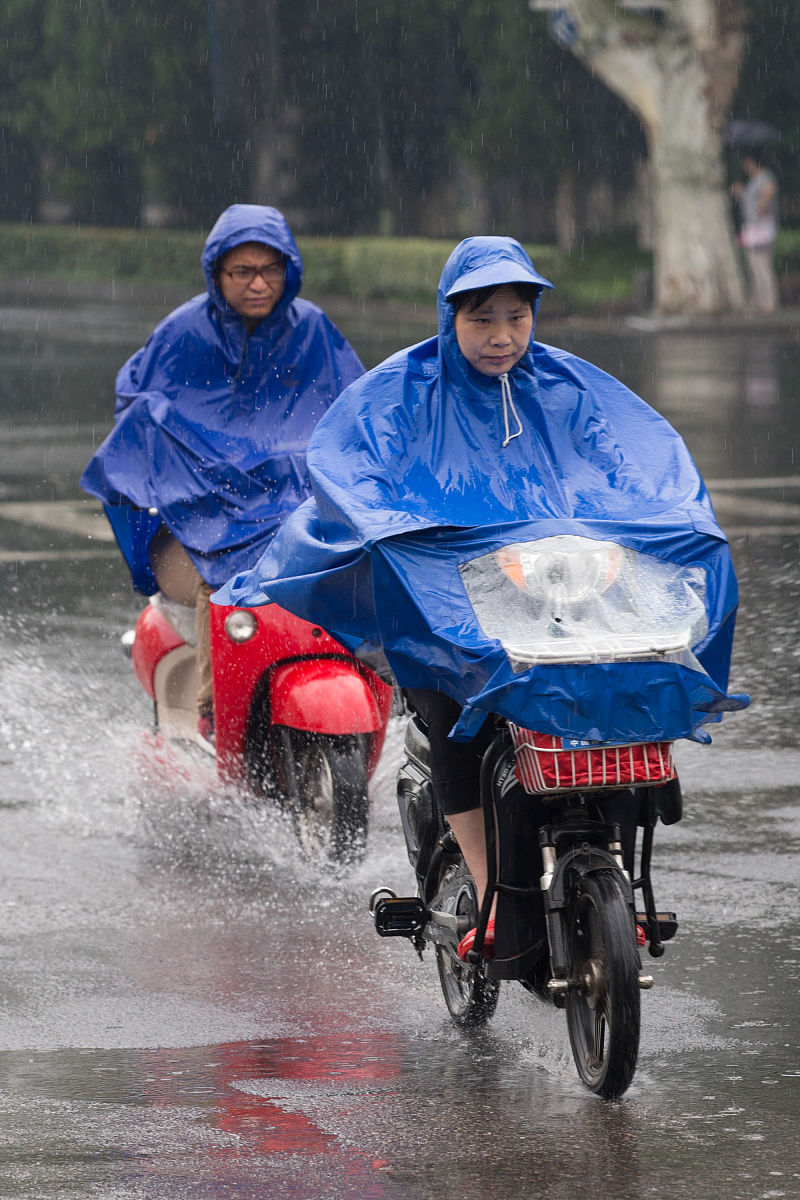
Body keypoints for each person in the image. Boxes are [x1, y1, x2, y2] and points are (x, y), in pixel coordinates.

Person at [215, 235, 746, 955]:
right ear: (450, 316)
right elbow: (352, 470)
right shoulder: (403, 392)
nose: (502, 337)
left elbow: (637, 465)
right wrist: (398, 532)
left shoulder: (569, 386)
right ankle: (490, 884)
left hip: (563, 589)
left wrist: (673, 524)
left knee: (624, 700)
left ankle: (613, 865)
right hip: (449, 595)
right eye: (482, 319)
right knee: (453, 716)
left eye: (516, 318)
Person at [82, 204, 364, 749]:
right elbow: (136, 420)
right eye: (243, 272)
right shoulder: (182, 334)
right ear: (217, 273)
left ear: (290, 270)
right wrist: (191, 472)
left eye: (271, 270)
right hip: (194, 526)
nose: (259, 284)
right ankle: (214, 712)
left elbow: (356, 415)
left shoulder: (313, 332)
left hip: (291, 517)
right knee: (222, 584)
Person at [732, 151, 779, 313]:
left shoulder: (765, 177)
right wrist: (741, 193)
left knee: (762, 265)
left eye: (747, 162)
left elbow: (768, 192)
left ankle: (769, 300)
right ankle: (759, 299)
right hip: (752, 227)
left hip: (761, 228)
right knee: (753, 265)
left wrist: (762, 205)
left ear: (753, 162)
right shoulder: (753, 180)